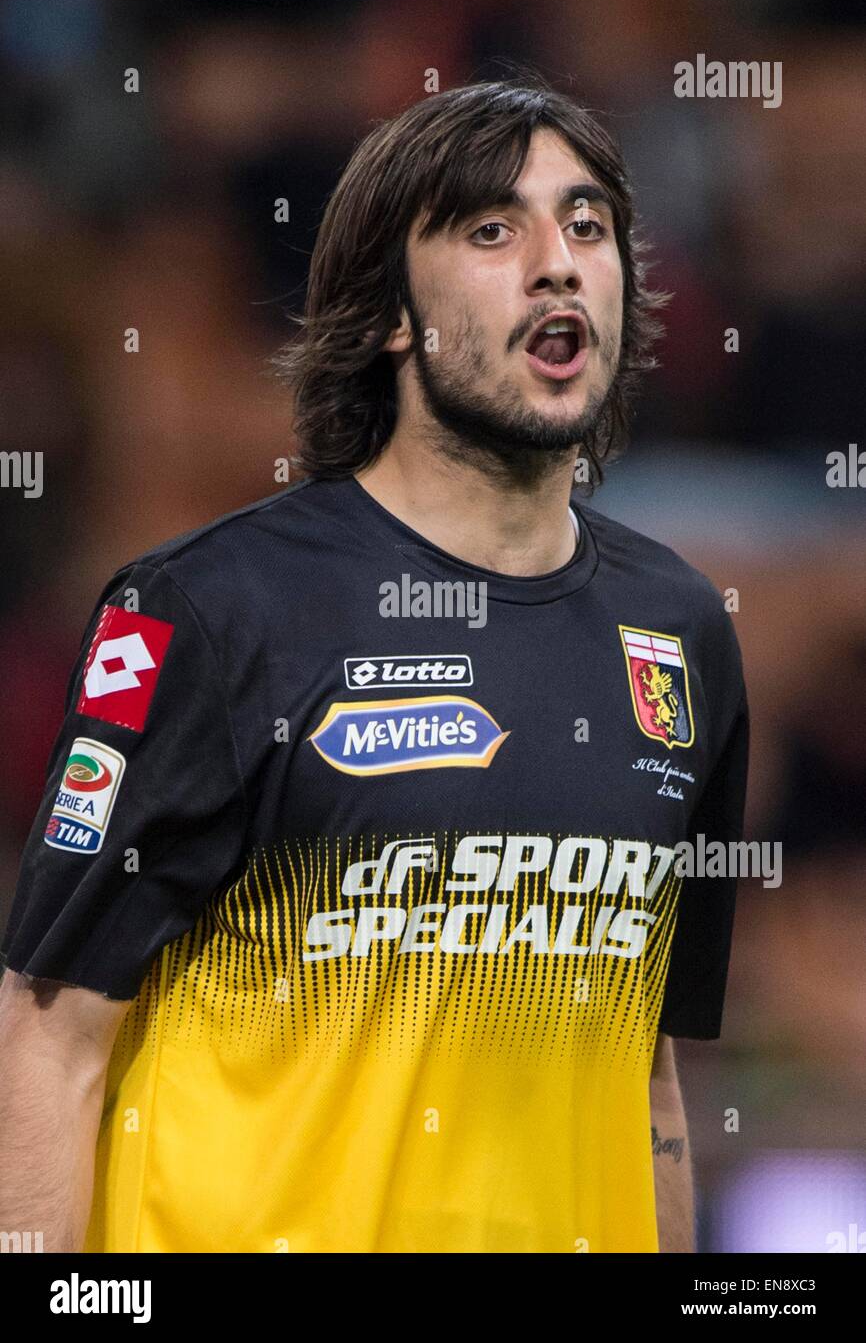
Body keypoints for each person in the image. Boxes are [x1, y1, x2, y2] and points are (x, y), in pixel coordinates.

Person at [0, 76, 749, 1254]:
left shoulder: (681, 632)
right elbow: (50, 1032)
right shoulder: (203, 610)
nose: (556, 262)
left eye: (587, 223)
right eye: (492, 229)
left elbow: (641, 1067)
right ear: (393, 313)